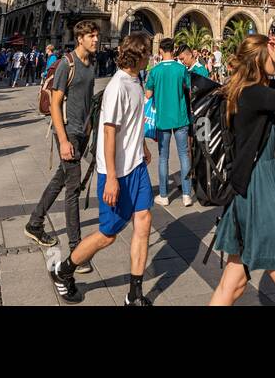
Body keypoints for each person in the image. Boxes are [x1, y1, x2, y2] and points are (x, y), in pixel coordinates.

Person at [207, 34, 275, 306]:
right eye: (272, 53)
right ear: (260, 60)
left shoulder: (241, 89)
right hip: (260, 194)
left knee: (231, 286)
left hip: (242, 190)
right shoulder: (255, 94)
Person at [50, 33, 157, 305]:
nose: (151, 57)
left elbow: (133, 122)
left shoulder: (137, 79)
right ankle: (65, 270)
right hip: (116, 172)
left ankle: (134, 294)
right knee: (108, 235)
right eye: (148, 53)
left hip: (136, 167)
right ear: (139, 55)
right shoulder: (117, 86)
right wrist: (110, 177)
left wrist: (142, 145)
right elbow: (109, 134)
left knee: (144, 222)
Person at [25, 21, 101, 268]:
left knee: (61, 179)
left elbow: (87, 99)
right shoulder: (66, 64)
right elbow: (56, 104)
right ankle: (76, 249)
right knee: (72, 190)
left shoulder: (92, 64)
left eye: (96, 36)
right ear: (80, 38)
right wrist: (64, 140)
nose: (96, 40)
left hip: (81, 131)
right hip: (67, 131)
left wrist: (89, 127)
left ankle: (35, 223)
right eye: (91, 36)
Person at [145, 38, 194, 207]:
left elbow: (148, 94)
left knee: (163, 157)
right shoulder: (181, 69)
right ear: (173, 50)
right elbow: (189, 92)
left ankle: (164, 195)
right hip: (180, 118)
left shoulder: (155, 70)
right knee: (183, 155)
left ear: (160, 51)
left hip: (162, 119)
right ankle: (187, 195)